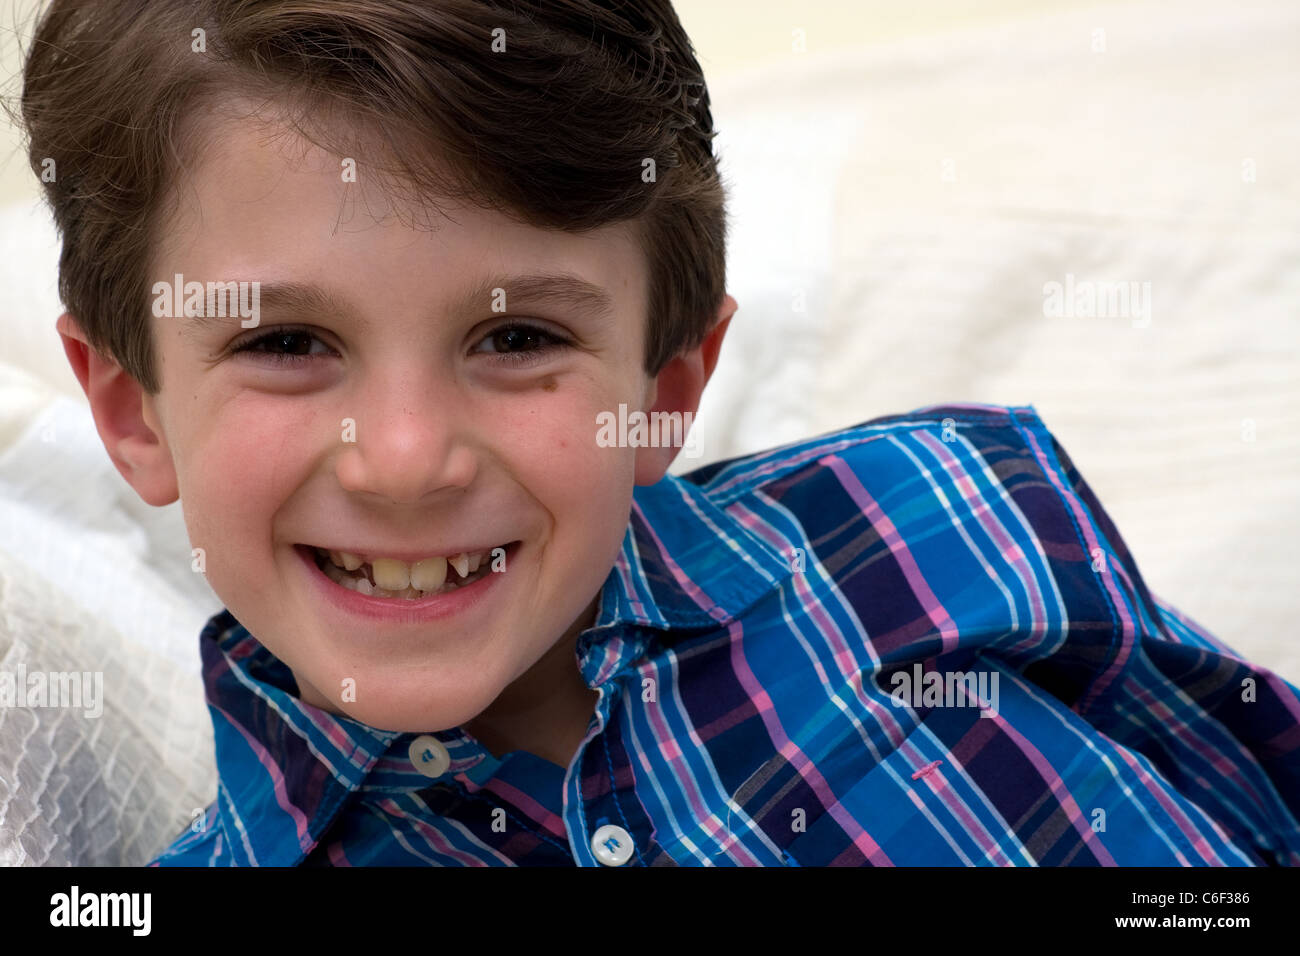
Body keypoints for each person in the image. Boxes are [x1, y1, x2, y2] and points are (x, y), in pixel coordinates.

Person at [18, 0, 1299, 866]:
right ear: (132, 407)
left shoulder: (924, 522)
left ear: (674, 378)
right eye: (287, 344)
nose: (406, 460)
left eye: (517, 340)